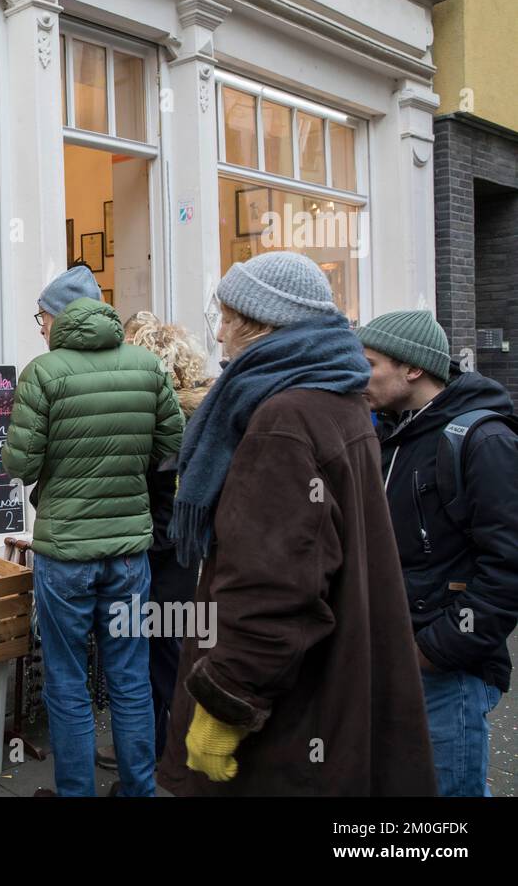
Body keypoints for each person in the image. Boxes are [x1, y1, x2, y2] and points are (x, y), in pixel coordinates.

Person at [157, 252, 435, 796]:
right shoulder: (337, 397)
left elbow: (274, 588)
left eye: (226, 318)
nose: (218, 337)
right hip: (331, 686)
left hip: (292, 717)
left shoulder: (282, 418)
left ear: (256, 323)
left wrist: (223, 707)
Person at [2, 267, 184, 796]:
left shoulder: (43, 373)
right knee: (130, 676)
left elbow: (22, 463)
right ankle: (138, 790)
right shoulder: (148, 367)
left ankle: (77, 791)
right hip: (130, 553)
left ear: (58, 315)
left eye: (41, 317)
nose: (39, 327)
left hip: (66, 554)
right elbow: (171, 445)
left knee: (66, 680)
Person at [358, 309, 518, 796]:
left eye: (369, 363)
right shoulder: (394, 432)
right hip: (402, 656)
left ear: (412, 368)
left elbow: (508, 566)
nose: (357, 375)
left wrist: (437, 648)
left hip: (449, 671)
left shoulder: (484, 439)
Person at [122, 312, 211, 763]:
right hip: (188, 558)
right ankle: (160, 753)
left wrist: (138, 539)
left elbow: (165, 502)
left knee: (165, 662)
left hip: (163, 560)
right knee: (172, 656)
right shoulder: (202, 413)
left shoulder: (166, 421)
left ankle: (174, 761)